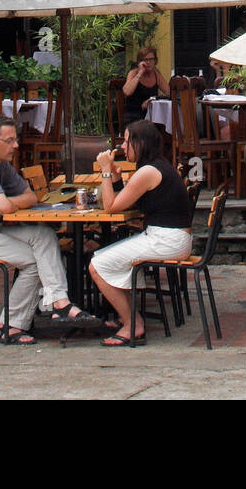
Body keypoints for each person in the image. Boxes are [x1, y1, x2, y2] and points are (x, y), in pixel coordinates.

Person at [0, 115, 98, 344]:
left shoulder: (0, 166)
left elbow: (32, 197)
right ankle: (9, 325)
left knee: (43, 235)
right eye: (10, 140)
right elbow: (6, 205)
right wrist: (2, 204)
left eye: (15, 139)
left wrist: (5, 203)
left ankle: (59, 302)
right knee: (33, 260)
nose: (16, 145)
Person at [89, 119, 193, 346]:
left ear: (141, 143)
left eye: (127, 141)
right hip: (169, 237)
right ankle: (128, 318)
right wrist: (116, 177)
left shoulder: (148, 171)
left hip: (167, 239)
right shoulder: (155, 166)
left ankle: (132, 325)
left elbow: (111, 207)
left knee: (96, 266)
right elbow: (126, 203)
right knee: (105, 259)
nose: (123, 147)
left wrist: (105, 171)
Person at [121, 46, 169, 124]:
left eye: (151, 59)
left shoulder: (156, 74)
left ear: (155, 61)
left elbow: (169, 93)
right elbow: (127, 92)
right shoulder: (133, 73)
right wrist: (140, 72)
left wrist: (153, 99)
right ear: (140, 62)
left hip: (151, 117)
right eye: (145, 60)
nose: (148, 62)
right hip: (134, 117)